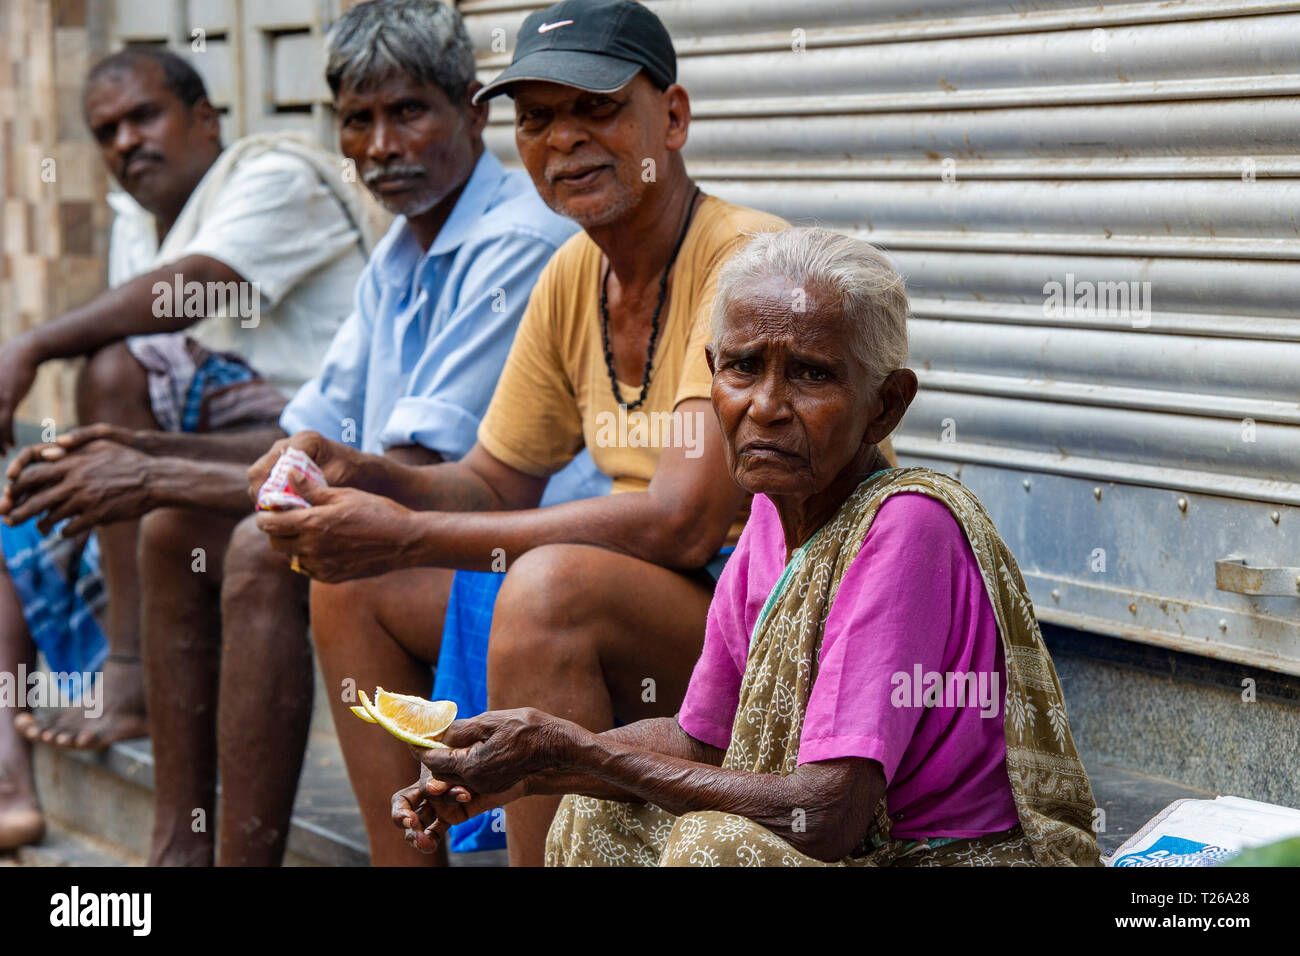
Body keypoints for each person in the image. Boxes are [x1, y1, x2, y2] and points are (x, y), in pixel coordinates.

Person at [250, 0, 802, 866]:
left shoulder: (745, 260)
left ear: (675, 116)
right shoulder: (571, 273)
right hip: (658, 596)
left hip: (774, 615)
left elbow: (682, 521)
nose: (564, 140)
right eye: (538, 119)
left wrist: (411, 531)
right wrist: (362, 474)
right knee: (353, 585)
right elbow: (493, 482)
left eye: (597, 108)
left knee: (547, 591)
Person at [390, 227, 1103, 867]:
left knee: (717, 847)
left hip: (942, 857)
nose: (766, 405)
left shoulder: (907, 528)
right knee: (596, 813)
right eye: (743, 367)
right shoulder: (772, 515)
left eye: (812, 374)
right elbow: (703, 739)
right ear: (712, 375)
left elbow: (826, 814)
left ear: (885, 404)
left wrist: (571, 749)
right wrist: (513, 771)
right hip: (858, 846)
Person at [0, 47, 367, 850]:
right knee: (18, 509)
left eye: (145, 116)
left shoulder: (276, 175)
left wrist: (28, 346)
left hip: (313, 443)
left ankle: (126, 665)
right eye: (106, 130)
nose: (127, 141)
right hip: (202, 452)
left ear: (206, 120)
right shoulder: (135, 220)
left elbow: (186, 292)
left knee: (109, 365)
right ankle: (9, 776)